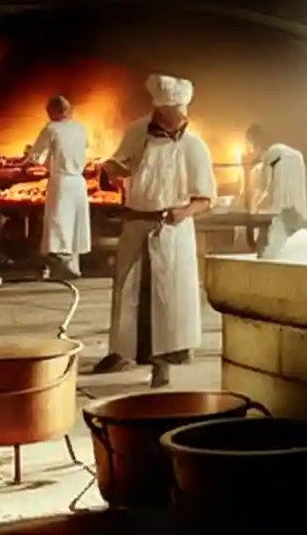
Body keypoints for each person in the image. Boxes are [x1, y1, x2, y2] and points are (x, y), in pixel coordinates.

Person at [94, 74, 217, 387]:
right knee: (127, 289)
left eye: (179, 112)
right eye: (169, 112)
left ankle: (163, 362)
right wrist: (111, 170)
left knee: (166, 299)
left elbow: (206, 198)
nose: (176, 118)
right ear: (159, 110)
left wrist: (183, 212)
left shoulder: (194, 146)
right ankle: (120, 351)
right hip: (136, 222)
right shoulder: (137, 131)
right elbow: (122, 164)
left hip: (170, 228)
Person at [26, 95, 91, 279]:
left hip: (61, 182)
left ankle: (61, 265)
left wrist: (26, 161)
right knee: (74, 224)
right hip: (79, 182)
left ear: (53, 111)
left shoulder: (51, 129)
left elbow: (35, 157)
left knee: (59, 223)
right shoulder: (80, 128)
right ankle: (74, 267)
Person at [246, 124, 307, 221]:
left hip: (277, 217)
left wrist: (255, 209)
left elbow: (268, 194)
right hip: (297, 216)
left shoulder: (272, 156)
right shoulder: (296, 155)